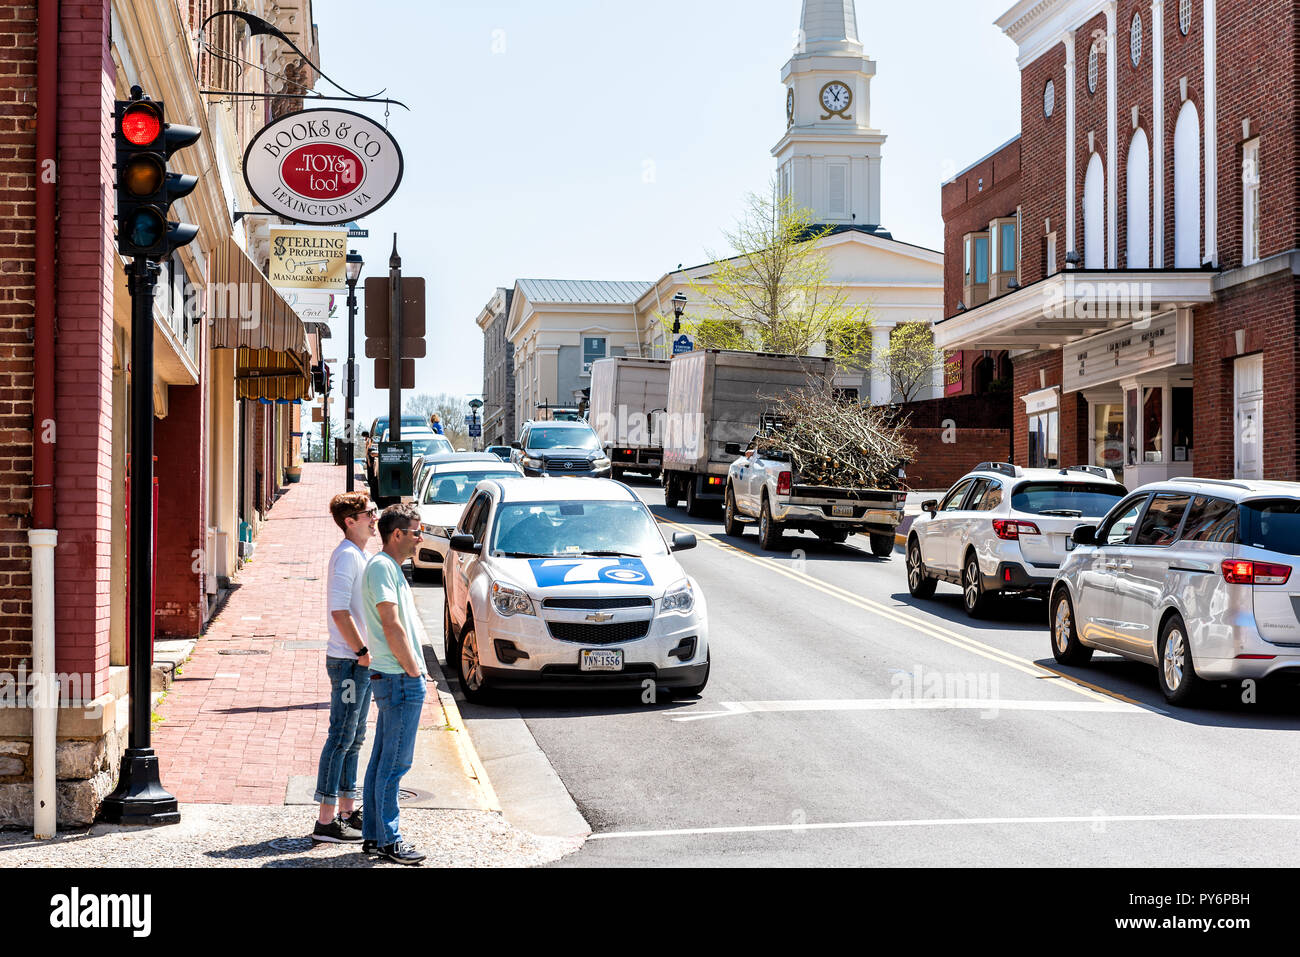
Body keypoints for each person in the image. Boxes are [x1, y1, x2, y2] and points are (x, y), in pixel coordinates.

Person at [360, 503, 429, 865]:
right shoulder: (384, 568)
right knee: (395, 765)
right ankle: (390, 840)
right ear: (397, 534)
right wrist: (414, 670)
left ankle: (374, 836)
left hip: (392, 676)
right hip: (399, 677)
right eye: (416, 532)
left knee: (381, 761)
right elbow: (391, 624)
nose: (420, 538)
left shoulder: (387, 568)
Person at [312, 492, 378, 843]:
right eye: (368, 513)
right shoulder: (347, 557)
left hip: (359, 661)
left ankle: (347, 812)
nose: (374, 518)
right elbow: (340, 612)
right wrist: (362, 650)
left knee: (355, 738)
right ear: (349, 521)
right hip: (350, 662)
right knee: (341, 735)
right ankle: (325, 821)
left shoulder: (359, 555)